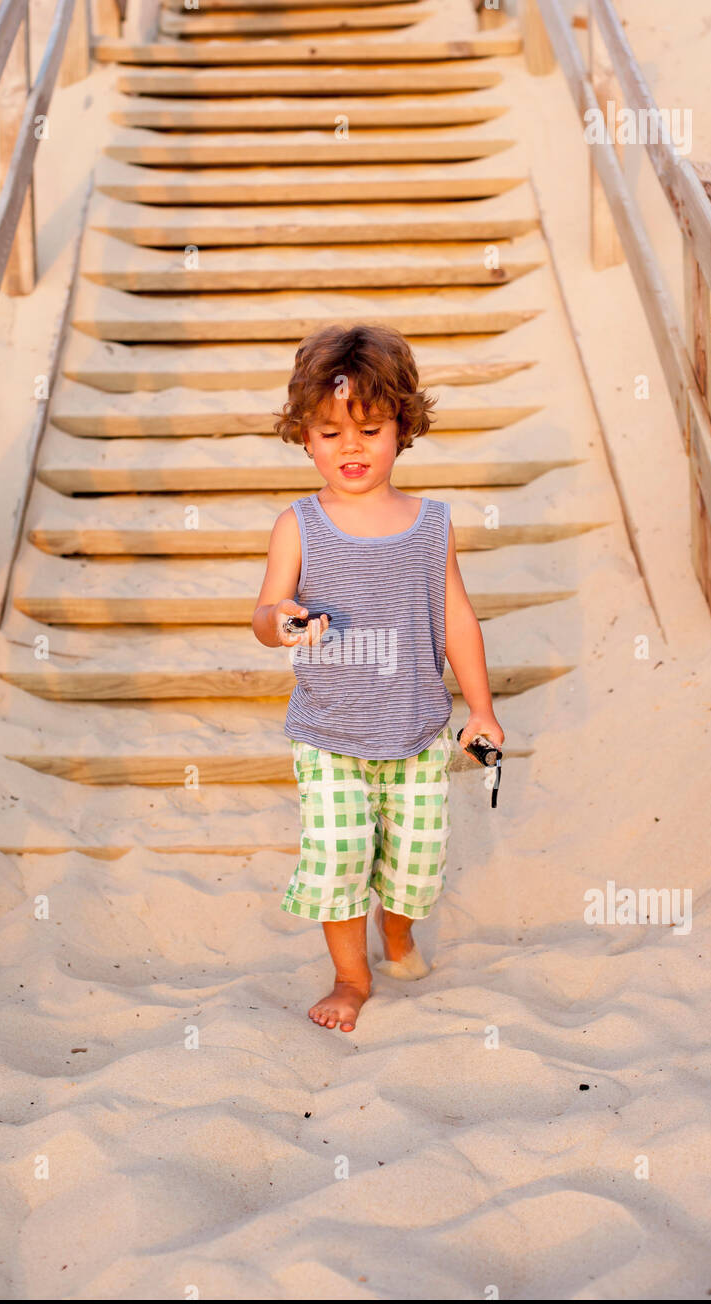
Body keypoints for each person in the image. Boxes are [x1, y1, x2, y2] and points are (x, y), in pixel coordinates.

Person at [252, 323, 504, 1033]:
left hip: (418, 731)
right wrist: (284, 621)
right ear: (304, 437)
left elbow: (456, 618)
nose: (350, 449)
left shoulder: (431, 524)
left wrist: (480, 709)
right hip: (329, 734)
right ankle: (350, 977)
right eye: (329, 434)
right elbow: (265, 610)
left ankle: (398, 935)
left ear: (403, 427)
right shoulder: (298, 524)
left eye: (368, 428)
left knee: (415, 861)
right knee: (338, 855)